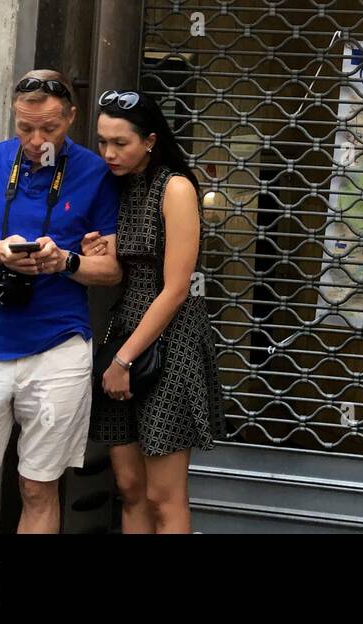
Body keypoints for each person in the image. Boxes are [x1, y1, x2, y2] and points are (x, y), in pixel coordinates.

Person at [0, 71, 122, 534]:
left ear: (72, 119)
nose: (36, 140)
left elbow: (112, 269)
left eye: (50, 129)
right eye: (25, 128)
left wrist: (65, 261)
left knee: (39, 488)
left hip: (58, 351)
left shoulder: (96, 173)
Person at [87, 89, 227, 534]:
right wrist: (98, 249)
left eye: (120, 143)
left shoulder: (177, 188)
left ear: (150, 140)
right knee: (129, 487)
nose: (108, 152)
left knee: (162, 496)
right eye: (102, 142)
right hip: (125, 325)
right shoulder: (118, 186)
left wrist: (123, 360)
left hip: (171, 342)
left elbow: (177, 288)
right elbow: (124, 256)